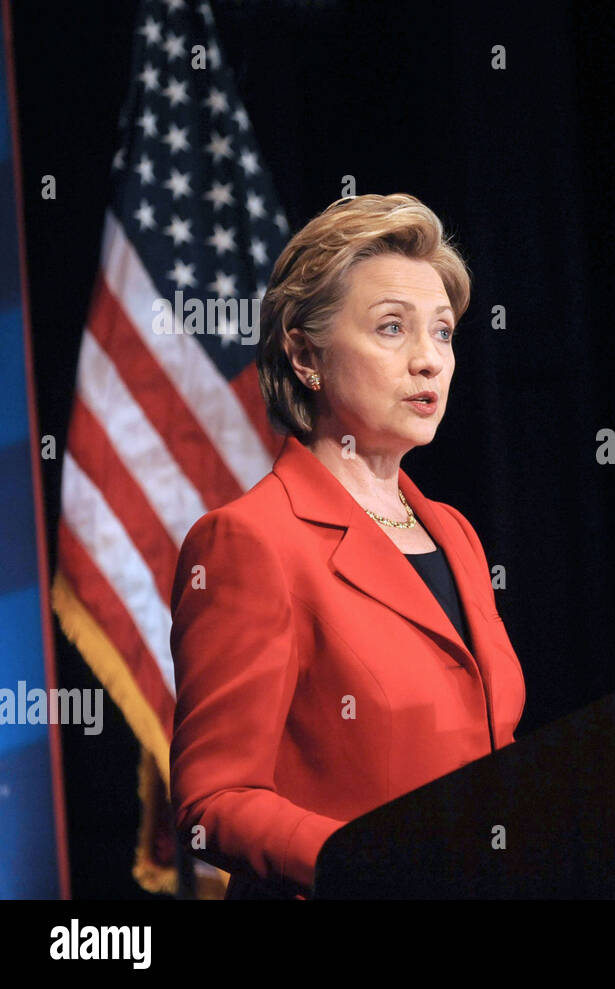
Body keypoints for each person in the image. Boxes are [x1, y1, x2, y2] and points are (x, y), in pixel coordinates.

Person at [168, 193, 525, 899]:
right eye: (393, 328)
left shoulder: (454, 533)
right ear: (305, 354)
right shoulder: (250, 541)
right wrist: (366, 860)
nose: (429, 361)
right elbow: (211, 803)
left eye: (444, 332)